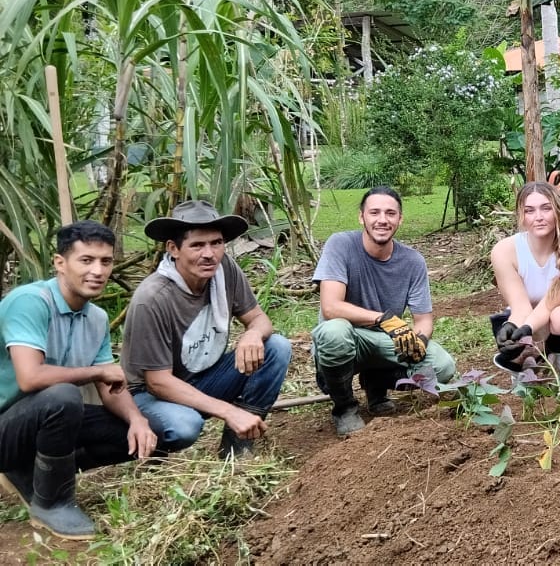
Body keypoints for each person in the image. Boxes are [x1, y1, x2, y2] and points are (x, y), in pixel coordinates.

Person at [0, 222, 159, 539]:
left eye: (106, 261)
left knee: (154, 430)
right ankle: (52, 503)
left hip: (39, 422)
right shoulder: (30, 302)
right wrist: (97, 371)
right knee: (62, 396)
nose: (98, 270)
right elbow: (31, 378)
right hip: (7, 424)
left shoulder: (96, 318)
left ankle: (30, 471)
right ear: (60, 263)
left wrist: (137, 419)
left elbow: (109, 387)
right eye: (86, 260)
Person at [124, 201, 292, 460]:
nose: (209, 254)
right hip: (149, 394)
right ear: (173, 249)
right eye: (197, 245)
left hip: (202, 377)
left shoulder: (224, 270)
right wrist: (228, 410)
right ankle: (152, 453)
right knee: (185, 425)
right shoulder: (153, 298)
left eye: (216, 243)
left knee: (276, 347)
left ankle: (238, 444)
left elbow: (259, 318)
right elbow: (157, 382)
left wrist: (252, 333)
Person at [311, 187, 456, 437]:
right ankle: (344, 407)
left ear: (399, 219)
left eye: (390, 213)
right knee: (335, 333)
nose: (382, 220)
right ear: (361, 217)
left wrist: (418, 341)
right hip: (349, 336)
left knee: (443, 367)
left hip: (384, 340)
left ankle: (375, 383)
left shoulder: (413, 261)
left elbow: (423, 320)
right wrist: (382, 318)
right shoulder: (340, 244)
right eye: (374, 212)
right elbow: (331, 307)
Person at [489, 181, 560, 394]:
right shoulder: (504, 250)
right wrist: (512, 328)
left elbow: (548, 306)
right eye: (530, 210)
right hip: (530, 318)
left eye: (546, 208)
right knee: (508, 325)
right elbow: (520, 307)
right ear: (521, 216)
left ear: (558, 211)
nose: (538, 217)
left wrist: (525, 330)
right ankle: (526, 368)